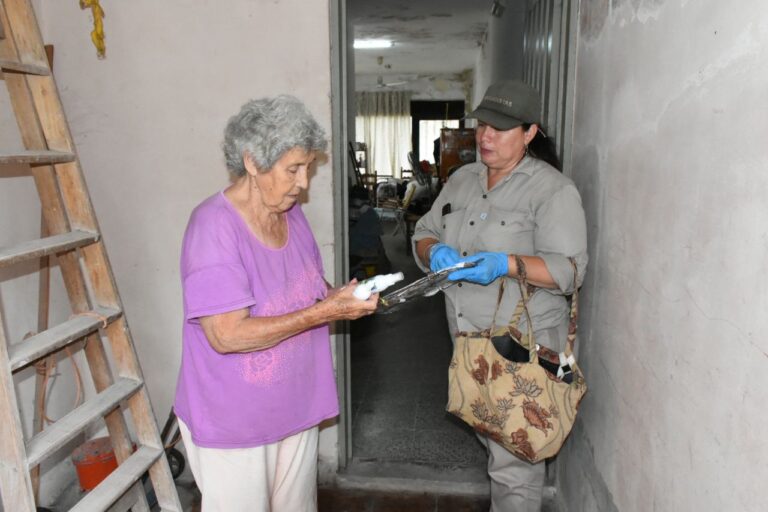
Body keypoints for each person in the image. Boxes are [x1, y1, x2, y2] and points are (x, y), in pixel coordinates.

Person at [174, 95, 378, 511]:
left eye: (307, 168)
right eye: (293, 169)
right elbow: (227, 335)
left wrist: (335, 295)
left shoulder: (288, 211)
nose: (303, 183)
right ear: (252, 162)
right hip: (237, 421)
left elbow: (303, 283)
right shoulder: (212, 227)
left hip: (296, 405)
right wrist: (325, 313)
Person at [412, 80, 588, 511]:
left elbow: (570, 270)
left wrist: (505, 263)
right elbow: (424, 231)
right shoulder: (462, 180)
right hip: (468, 341)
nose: (486, 136)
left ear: (530, 133)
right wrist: (434, 251)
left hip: (527, 345)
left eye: (502, 128)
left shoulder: (552, 191)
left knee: (515, 460)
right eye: (482, 125)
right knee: (492, 436)